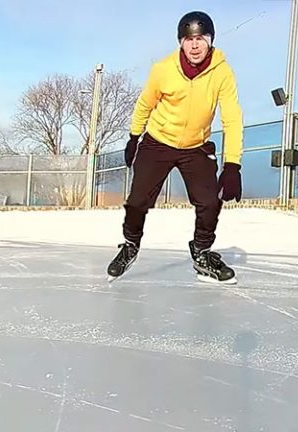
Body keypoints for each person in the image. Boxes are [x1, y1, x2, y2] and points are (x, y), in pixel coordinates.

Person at [107, 11, 243, 284]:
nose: (195, 45)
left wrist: (232, 165)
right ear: (181, 42)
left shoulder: (222, 71)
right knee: (137, 201)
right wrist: (134, 137)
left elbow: (232, 117)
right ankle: (130, 245)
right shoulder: (163, 69)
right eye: (189, 38)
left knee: (209, 202)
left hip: (196, 146)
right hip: (158, 142)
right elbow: (144, 105)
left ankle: (202, 253)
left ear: (210, 41)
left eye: (201, 38)